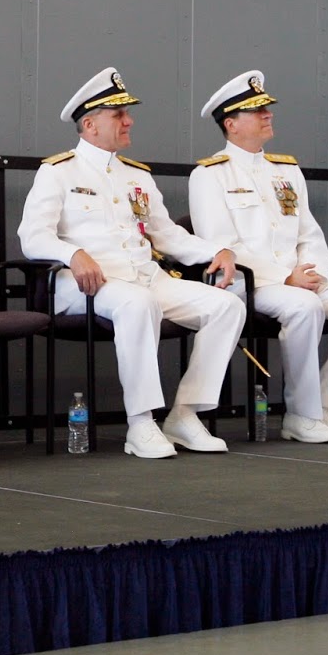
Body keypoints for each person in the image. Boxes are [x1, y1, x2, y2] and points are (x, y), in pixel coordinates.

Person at [19, 67, 246, 458]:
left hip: (146, 278)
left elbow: (167, 236)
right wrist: (73, 253)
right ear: (89, 125)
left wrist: (217, 252)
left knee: (226, 306)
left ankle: (185, 414)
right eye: (118, 115)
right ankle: (141, 422)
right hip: (87, 284)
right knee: (138, 303)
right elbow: (32, 237)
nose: (129, 121)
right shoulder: (58, 172)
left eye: (127, 113)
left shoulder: (136, 176)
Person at [188, 71, 328, 443]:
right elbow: (221, 245)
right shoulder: (209, 175)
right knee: (303, 306)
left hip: (296, 279)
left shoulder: (286, 170)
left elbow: (309, 232)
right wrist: (286, 279)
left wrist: (312, 273)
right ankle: (301, 414)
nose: (267, 115)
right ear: (231, 124)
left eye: (266, 108)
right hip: (249, 284)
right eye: (256, 111)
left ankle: (326, 406)